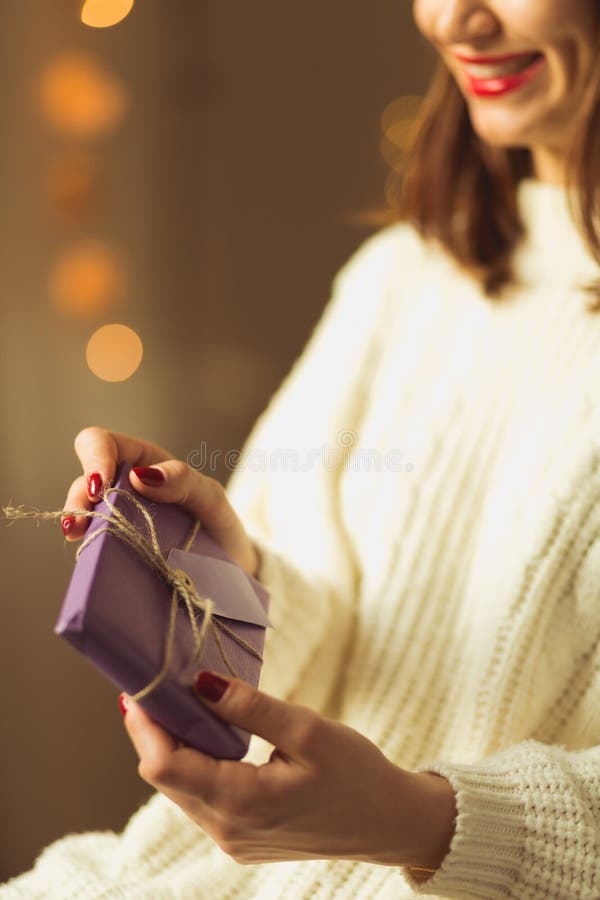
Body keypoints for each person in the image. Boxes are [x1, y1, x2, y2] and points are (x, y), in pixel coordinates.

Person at [4, 1, 600, 897]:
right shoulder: (404, 276)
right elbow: (327, 622)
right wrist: (222, 567)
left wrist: (423, 821)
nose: (453, 19)